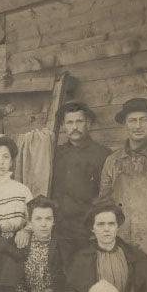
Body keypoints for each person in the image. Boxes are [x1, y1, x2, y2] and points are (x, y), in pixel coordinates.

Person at [98, 97, 147, 261]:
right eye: (132, 121)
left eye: (143, 120)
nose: (138, 126)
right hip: (120, 243)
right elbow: (104, 204)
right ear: (125, 125)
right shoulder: (112, 161)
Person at [51, 101, 111, 255]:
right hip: (58, 230)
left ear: (88, 123)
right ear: (64, 125)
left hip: (86, 231)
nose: (74, 127)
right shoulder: (55, 154)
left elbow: (106, 196)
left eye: (79, 121)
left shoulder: (103, 155)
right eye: (70, 122)